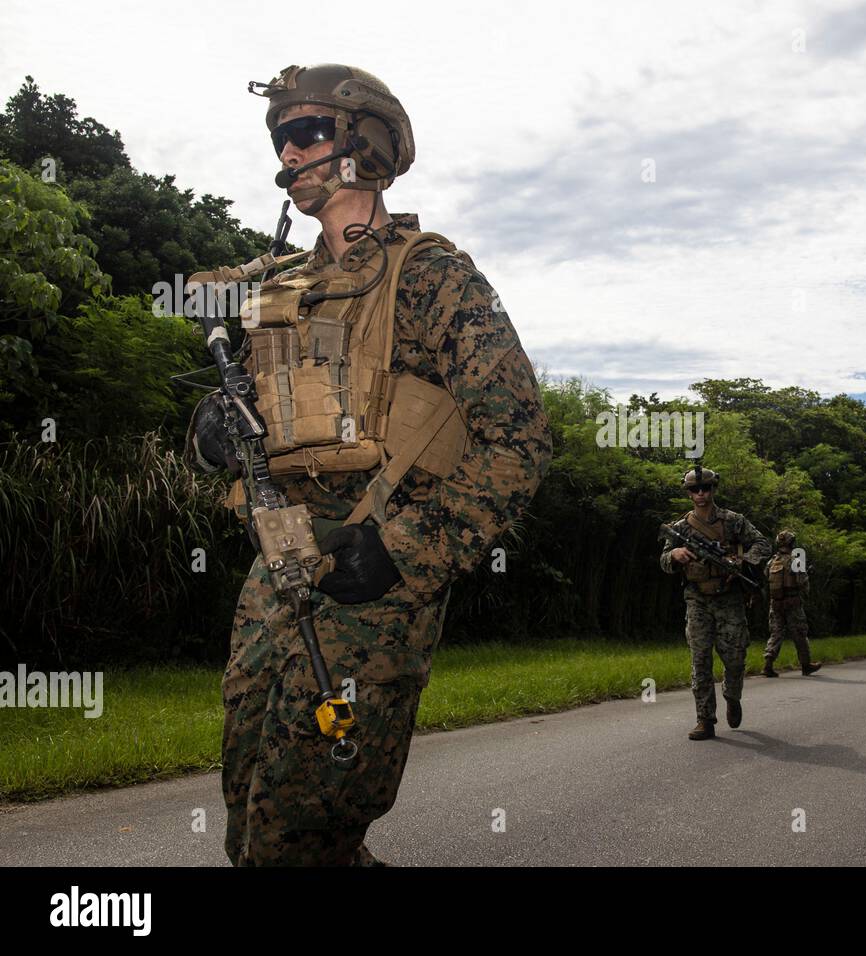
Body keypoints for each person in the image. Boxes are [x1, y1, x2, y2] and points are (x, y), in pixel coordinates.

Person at [186, 64, 551, 866]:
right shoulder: (279, 288)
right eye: (280, 136)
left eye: (307, 131)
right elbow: (253, 435)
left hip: (376, 576)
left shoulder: (430, 275)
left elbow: (519, 441)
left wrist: (407, 552)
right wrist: (213, 431)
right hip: (277, 570)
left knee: (304, 826)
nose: (287, 149)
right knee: (249, 808)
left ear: (365, 144)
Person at [660, 466, 771, 740]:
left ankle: (732, 696)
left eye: (705, 488)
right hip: (697, 598)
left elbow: (762, 544)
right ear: (688, 493)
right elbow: (663, 562)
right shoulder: (680, 528)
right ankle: (705, 719)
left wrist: (741, 561)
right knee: (700, 660)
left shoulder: (733, 521)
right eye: (694, 489)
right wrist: (674, 554)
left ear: (713, 489)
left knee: (735, 659)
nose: (700, 494)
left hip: (729, 598)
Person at [761, 530, 821, 677]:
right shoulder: (796, 561)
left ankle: (768, 664)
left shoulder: (771, 561)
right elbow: (803, 583)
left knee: (776, 634)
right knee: (800, 633)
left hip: (775, 603)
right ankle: (806, 665)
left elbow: (766, 578)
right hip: (793, 603)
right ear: (791, 544)